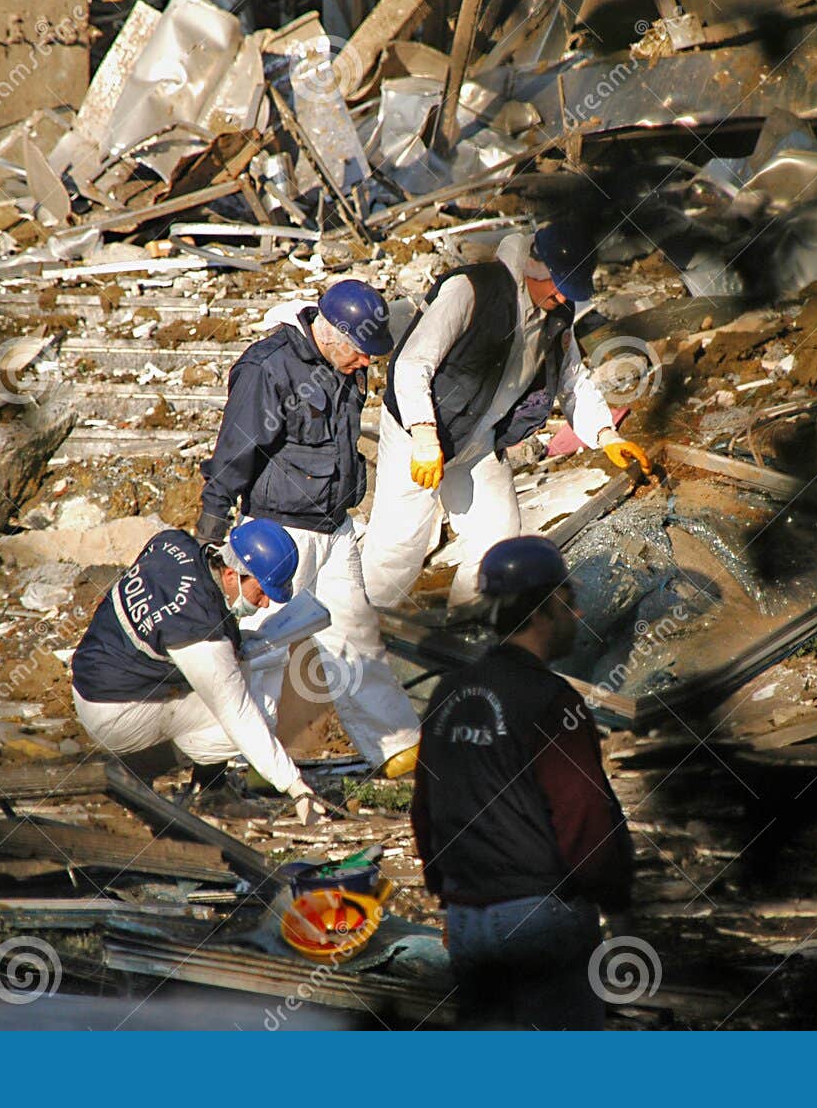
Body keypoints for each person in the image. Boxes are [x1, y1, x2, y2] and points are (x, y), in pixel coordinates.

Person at [362, 222, 653, 610]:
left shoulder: (557, 314)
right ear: (533, 265)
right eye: (558, 283)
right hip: (418, 435)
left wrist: (605, 434)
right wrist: (424, 434)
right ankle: (360, 636)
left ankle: (467, 623)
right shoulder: (471, 291)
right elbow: (413, 363)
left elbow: (572, 381)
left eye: (571, 287)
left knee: (498, 534)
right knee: (398, 548)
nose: (564, 295)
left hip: (481, 438)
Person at [195, 279, 420, 777]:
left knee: (355, 633)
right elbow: (234, 451)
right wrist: (210, 526)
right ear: (333, 333)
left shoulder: (346, 362)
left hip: (336, 529)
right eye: (361, 354)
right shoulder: (268, 367)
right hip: (276, 534)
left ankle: (397, 748)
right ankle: (225, 764)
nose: (366, 365)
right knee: (258, 652)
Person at [410, 535, 634, 1029]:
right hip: (541, 917)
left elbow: (425, 804)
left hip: (469, 917)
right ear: (546, 607)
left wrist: (446, 886)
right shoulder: (551, 701)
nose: (576, 615)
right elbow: (584, 817)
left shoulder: (449, 690)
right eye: (569, 603)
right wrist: (616, 902)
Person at [71, 520, 324, 824]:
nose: (265, 602)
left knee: (237, 669)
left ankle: (197, 782)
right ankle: (141, 770)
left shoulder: (173, 543)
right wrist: (295, 787)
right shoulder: (199, 633)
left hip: (94, 675)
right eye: (259, 592)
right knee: (259, 712)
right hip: (116, 713)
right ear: (231, 574)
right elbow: (240, 716)